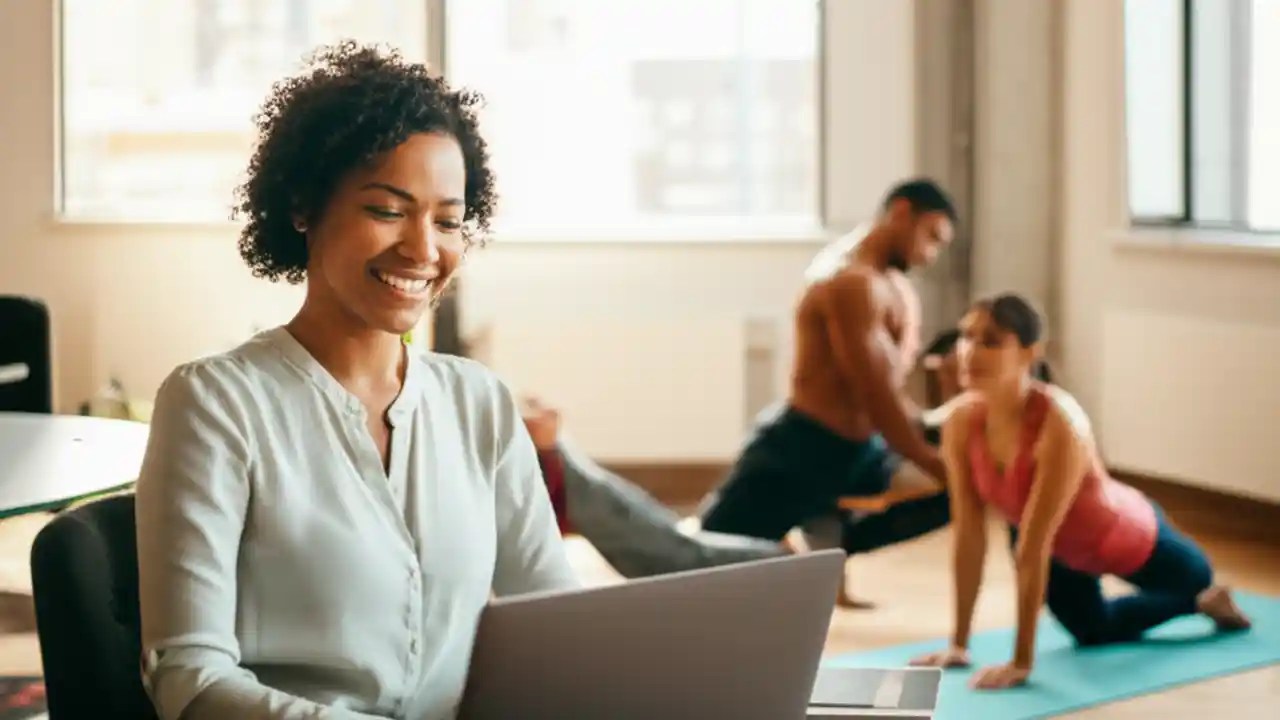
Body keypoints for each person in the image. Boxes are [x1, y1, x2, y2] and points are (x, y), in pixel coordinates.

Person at [134, 42, 577, 720]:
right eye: (387, 210)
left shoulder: (478, 403)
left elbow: (560, 629)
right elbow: (188, 682)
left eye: (449, 221)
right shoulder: (215, 403)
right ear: (304, 206)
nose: (424, 250)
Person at [909, 293, 1251, 690]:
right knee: (1091, 632)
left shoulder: (1060, 422)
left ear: (1028, 352)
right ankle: (1197, 605)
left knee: (1193, 577)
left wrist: (1021, 663)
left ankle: (1201, 597)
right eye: (966, 337)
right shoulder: (961, 421)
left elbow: (1033, 546)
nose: (968, 351)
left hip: (1118, 534)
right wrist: (958, 644)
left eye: (990, 340)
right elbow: (969, 533)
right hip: (1061, 550)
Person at [698, 179, 958, 560]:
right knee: (700, 554)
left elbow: (892, 392)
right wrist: (937, 465)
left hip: (863, 450)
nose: (932, 254)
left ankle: (830, 541)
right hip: (804, 447)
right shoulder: (848, 282)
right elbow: (876, 396)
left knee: (966, 486)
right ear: (901, 213)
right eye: (931, 236)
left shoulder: (894, 285)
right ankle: (809, 537)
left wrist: (942, 434)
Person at [520, 397, 789, 578]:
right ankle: (787, 562)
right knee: (673, 549)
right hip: (548, 466)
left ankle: (788, 563)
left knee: (674, 550)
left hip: (552, 468)